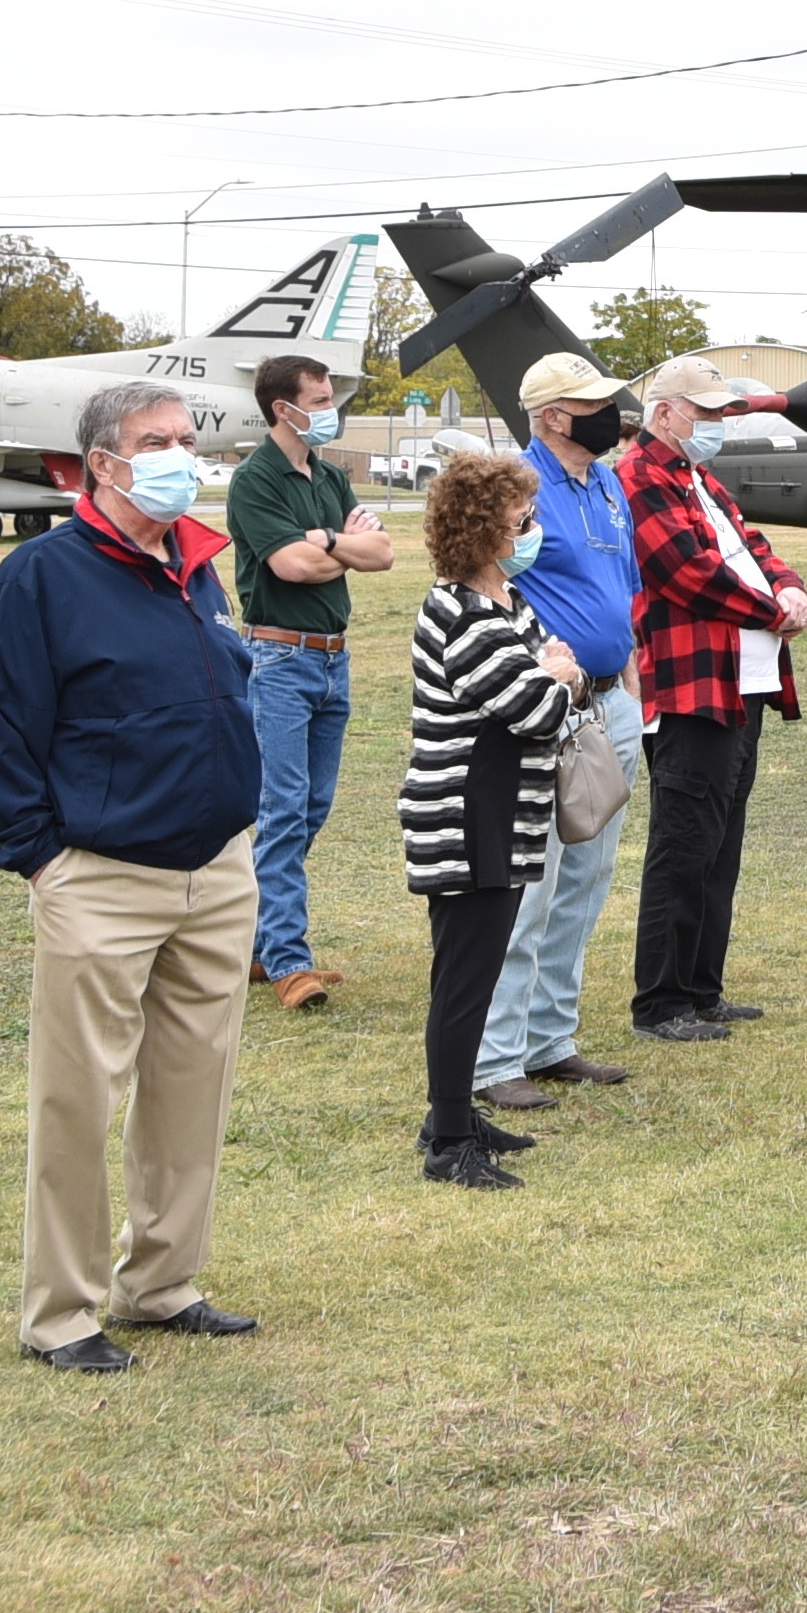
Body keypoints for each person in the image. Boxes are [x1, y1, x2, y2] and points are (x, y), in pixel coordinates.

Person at [0, 380, 264, 1373]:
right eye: (156, 441)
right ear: (103, 461)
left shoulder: (198, 565)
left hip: (215, 868)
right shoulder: (42, 575)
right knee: (76, 1100)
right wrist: (44, 855)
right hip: (101, 873)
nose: (182, 453)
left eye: (187, 438)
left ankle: (162, 1280)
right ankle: (61, 1312)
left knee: (192, 1088)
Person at [468, 354, 645, 1115]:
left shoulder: (607, 483)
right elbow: (480, 585)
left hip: (612, 704)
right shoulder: (515, 488)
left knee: (584, 880)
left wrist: (629, 689)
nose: (609, 413)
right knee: (529, 886)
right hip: (546, 708)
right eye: (590, 403)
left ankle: (551, 1040)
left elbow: (624, 592)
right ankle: (496, 1056)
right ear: (548, 416)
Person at [616, 355, 807, 1043]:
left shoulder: (697, 478)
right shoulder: (638, 478)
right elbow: (685, 573)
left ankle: (701, 988)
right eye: (705, 414)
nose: (716, 426)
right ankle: (661, 1000)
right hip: (691, 684)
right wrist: (771, 608)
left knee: (720, 842)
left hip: (740, 683)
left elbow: (755, 545)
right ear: (665, 412)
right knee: (683, 842)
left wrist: (791, 587)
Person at [406, 454, 582, 1187]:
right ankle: (449, 1139)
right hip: (468, 815)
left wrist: (552, 675)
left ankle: (451, 1114)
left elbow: (541, 673)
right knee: (465, 979)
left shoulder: (503, 601)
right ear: (484, 528)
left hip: (499, 811)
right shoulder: (465, 615)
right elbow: (536, 707)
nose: (531, 530)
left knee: (471, 973)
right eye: (520, 521)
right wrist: (562, 680)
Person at [226, 351, 394, 1012]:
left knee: (310, 808)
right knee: (282, 811)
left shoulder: (327, 476)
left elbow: (380, 554)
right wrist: (334, 547)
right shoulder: (255, 480)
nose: (331, 412)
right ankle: (290, 960)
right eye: (320, 401)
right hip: (278, 662)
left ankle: (263, 946)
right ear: (283, 409)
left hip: (333, 660)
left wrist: (322, 539)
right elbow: (290, 567)